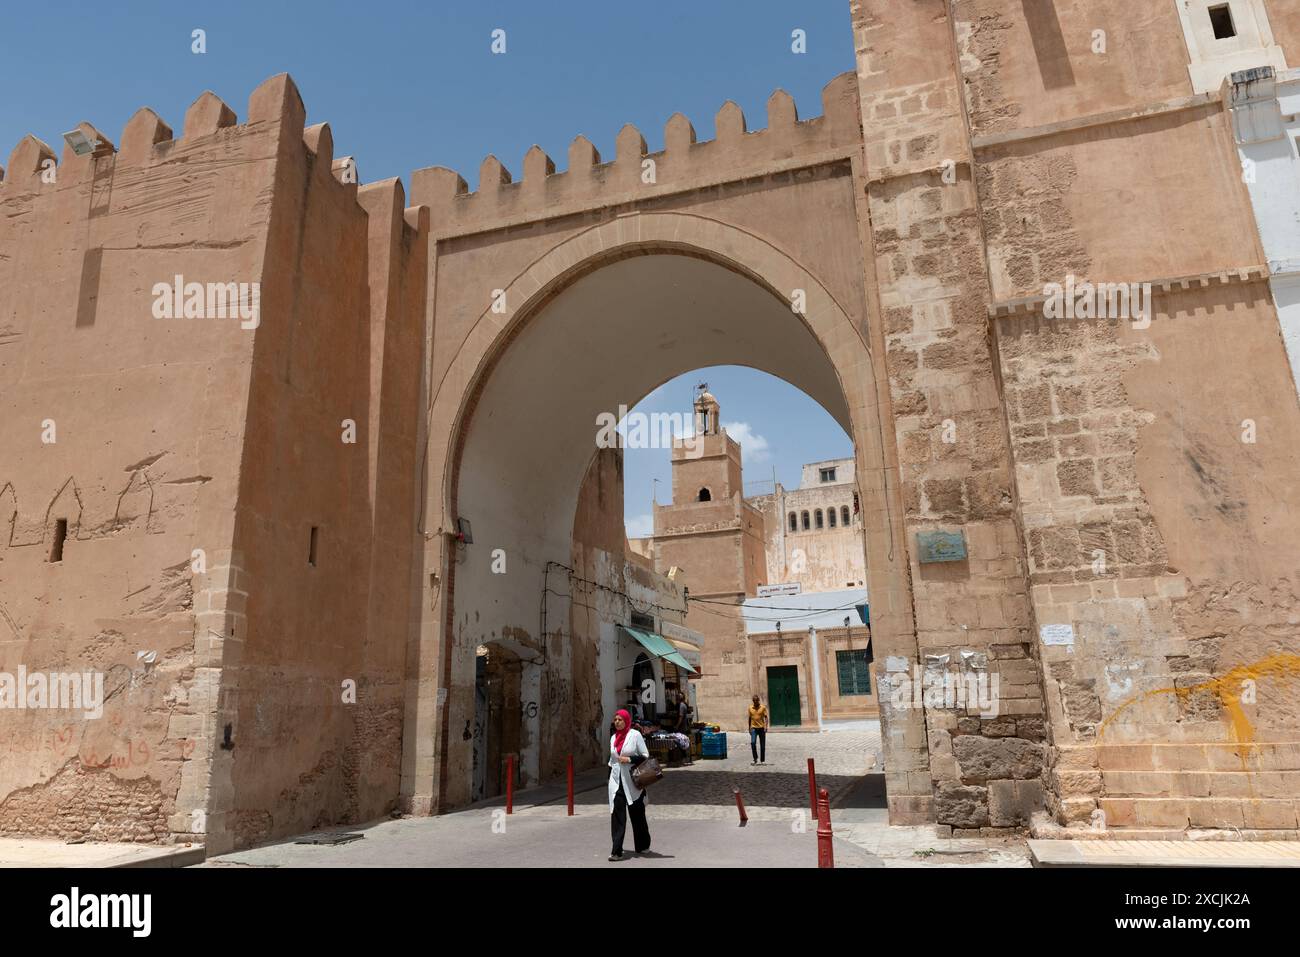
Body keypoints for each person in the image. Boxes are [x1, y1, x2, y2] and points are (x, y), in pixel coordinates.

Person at [608, 708, 651, 861]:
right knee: (617, 816)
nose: (617, 722)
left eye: (620, 719)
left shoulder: (635, 735)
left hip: (633, 782)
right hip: (616, 782)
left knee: (637, 815)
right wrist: (610, 780)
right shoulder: (613, 738)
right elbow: (612, 761)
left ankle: (643, 845)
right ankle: (616, 851)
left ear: (626, 721)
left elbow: (645, 756)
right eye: (616, 719)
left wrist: (630, 760)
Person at [747, 694, 769, 765]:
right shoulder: (750, 708)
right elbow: (750, 718)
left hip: (762, 728)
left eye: (756, 700)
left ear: (758, 700)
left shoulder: (763, 707)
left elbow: (766, 717)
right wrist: (749, 728)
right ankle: (755, 758)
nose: (755, 702)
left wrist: (766, 726)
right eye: (754, 701)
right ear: (753, 701)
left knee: (762, 745)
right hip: (753, 728)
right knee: (753, 743)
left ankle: (762, 760)